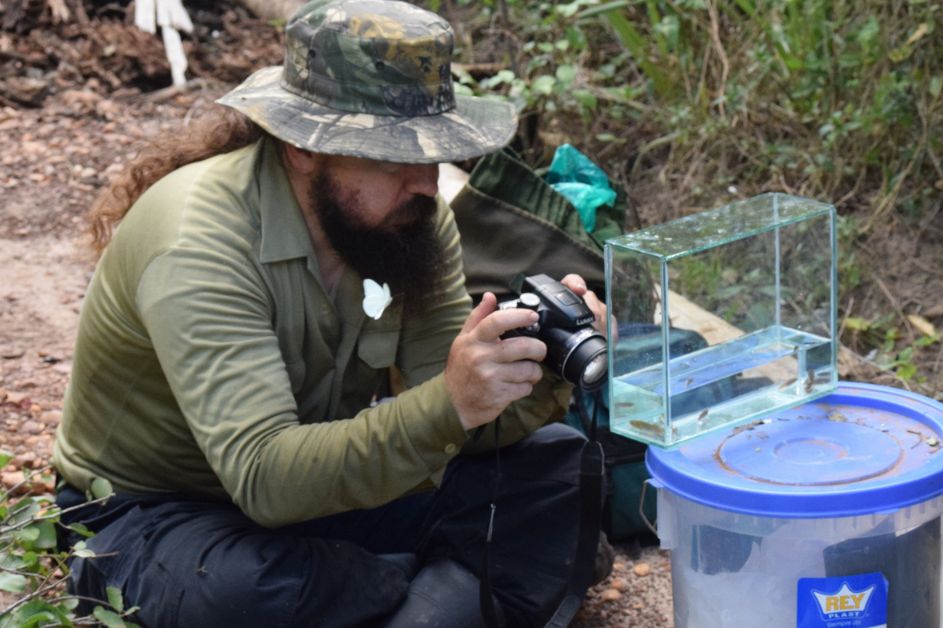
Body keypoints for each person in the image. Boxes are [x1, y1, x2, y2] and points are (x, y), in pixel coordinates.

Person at [51, 1, 607, 626]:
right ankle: (432, 593)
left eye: (435, 153)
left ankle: (388, 594)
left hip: (315, 490)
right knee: (241, 591)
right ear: (302, 148)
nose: (425, 182)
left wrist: (528, 373)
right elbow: (264, 477)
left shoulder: (411, 220)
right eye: (394, 156)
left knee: (555, 468)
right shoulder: (197, 241)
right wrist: (451, 402)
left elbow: (452, 419)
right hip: (157, 512)